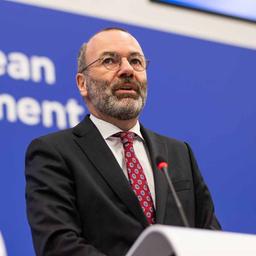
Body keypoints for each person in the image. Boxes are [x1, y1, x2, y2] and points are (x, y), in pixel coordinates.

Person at [25, 27, 221, 256]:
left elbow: (210, 238)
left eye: (136, 61)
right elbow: (58, 245)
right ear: (82, 83)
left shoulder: (179, 153)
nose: (127, 70)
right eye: (110, 60)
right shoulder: (54, 152)